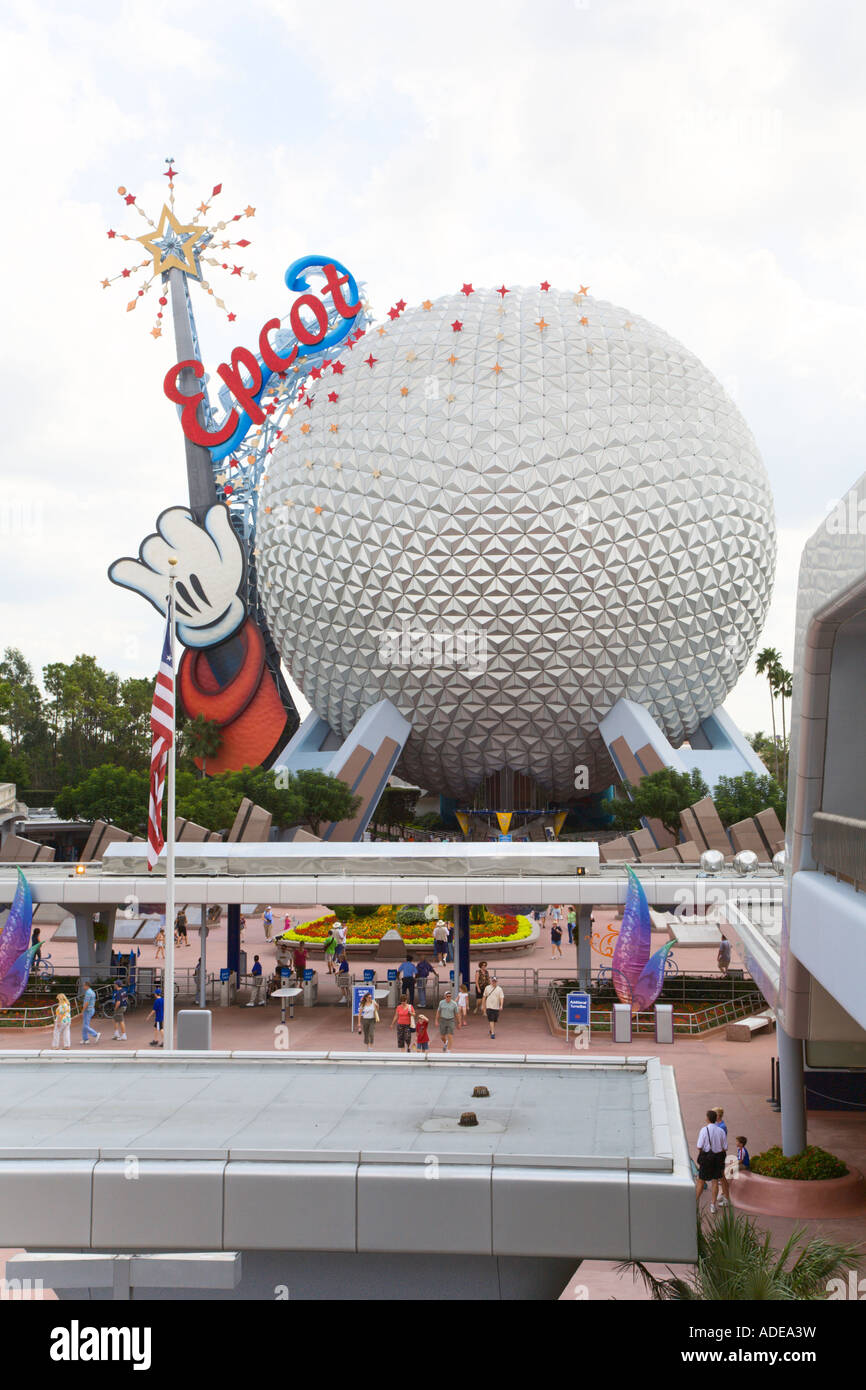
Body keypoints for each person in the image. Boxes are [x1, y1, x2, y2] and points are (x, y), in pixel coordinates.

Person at [695, 1109, 727, 1213]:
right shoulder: (721, 1131)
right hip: (717, 1159)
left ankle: (695, 1203)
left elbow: (699, 1146)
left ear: (708, 1119)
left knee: (701, 1181)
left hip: (707, 1158)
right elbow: (725, 1147)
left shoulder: (704, 1130)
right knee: (715, 1182)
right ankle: (713, 1205)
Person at [713, 1105, 732, 1205]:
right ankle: (724, 1194)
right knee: (720, 1176)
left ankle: (726, 1197)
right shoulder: (717, 1125)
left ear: (718, 1116)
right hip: (717, 1152)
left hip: (719, 1153)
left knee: (721, 1176)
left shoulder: (722, 1127)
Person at [79, 980, 100, 1046]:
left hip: (88, 1011)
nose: (83, 987)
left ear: (86, 986)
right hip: (91, 1009)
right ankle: (85, 1039)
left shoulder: (88, 992)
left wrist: (82, 1010)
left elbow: (86, 1003)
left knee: (85, 1026)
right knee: (85, 1025)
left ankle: (96, 1034)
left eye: (84, 985)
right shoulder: (92, 992)